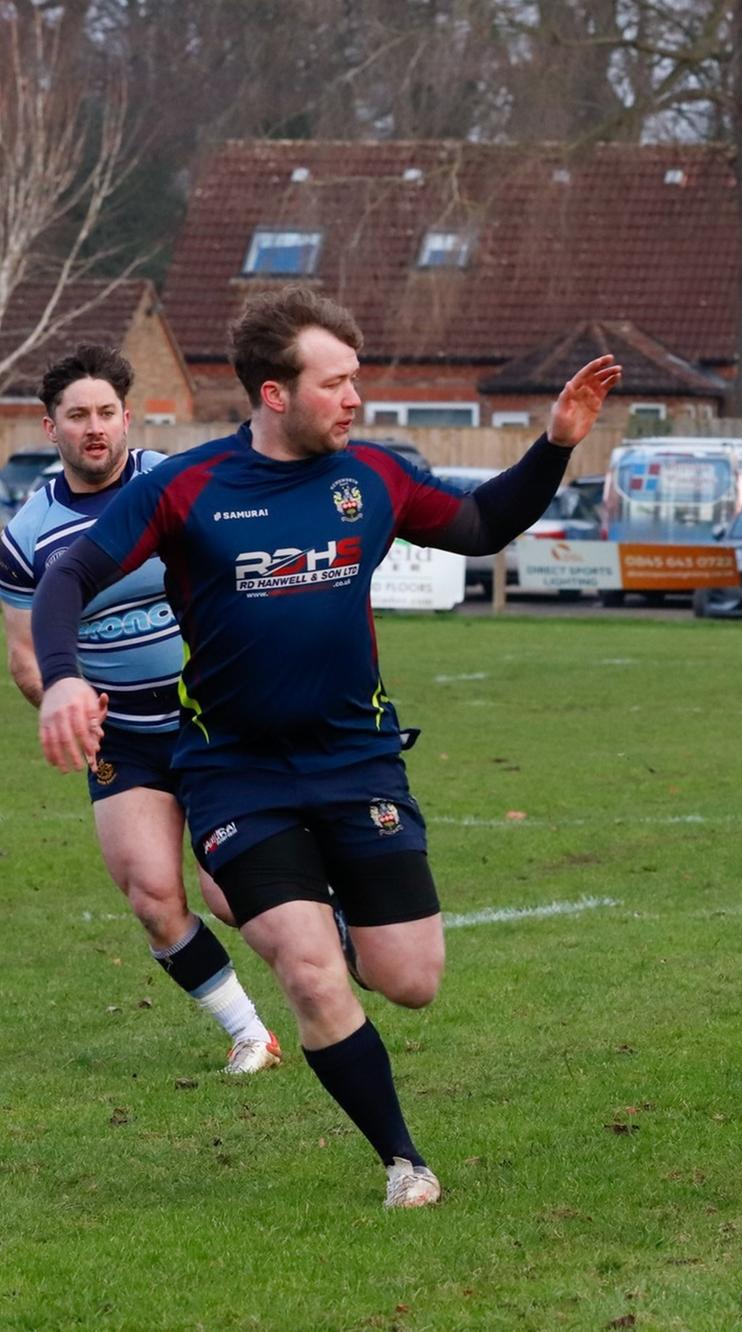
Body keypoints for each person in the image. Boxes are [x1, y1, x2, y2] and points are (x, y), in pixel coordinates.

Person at [33, 287, 622, 1207]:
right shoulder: (187, 488)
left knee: (410, 979)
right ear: (276, 394)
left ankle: (339, 925)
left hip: (357, 759)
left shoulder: (373, 478)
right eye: (337, 382)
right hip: (235, 771)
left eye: (356, 380)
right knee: (308, 974)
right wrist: (64, 673)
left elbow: (478, 527)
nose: (355, 399)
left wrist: (555, 444)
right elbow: (70, 569)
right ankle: (404, 1161)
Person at [2, 345, 281, 1075]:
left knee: (232, 892)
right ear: (49, 428)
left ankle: (338, 930)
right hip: (120, 734)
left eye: (105, 413)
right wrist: (63, 707)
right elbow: (27, 656)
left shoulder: (178, 484)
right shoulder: (27, 532)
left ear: (128, 417)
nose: (94, 428)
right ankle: (251, 1033)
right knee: (154, 899)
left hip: (212, 719)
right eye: (76, 416)